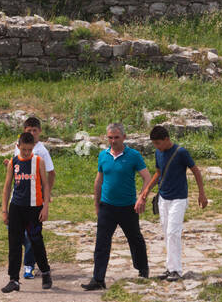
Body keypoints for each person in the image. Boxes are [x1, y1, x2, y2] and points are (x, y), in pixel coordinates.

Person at [82, 122, 152, 291]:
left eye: (116, 137)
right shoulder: (103, 155)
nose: (113, 141)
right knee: (101, 243)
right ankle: (98, 279)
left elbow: (147, 178)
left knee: (135, 239)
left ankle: (143, 269)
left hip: (128, 207)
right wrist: (97, 204)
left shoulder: (133, 155)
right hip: (107, 207)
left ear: (124, 137)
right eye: (110, 138)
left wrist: (141, 198)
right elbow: (99, 181)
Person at [136, 126, 206, 281]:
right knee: (167, 233)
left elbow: (195, 170)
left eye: (158, 143)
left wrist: (202, 193)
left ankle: (176, 270)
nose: (157, 147)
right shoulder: (158, 153)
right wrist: (146, 191)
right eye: (155, 144)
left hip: (179, 198)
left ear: (167, 139)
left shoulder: (181, 152)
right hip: (163, 198)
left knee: (173, 232)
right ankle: (170, 268)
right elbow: (158, 173)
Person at [0, 132, 52, 293]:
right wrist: (4, 210)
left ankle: (45, 272)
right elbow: (7, 186)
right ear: (18, 147)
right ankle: (13, 279)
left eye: (29, 150)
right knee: (14, 244)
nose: (27, 153)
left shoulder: (39, 161)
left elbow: (46, 185)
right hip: (16, 207)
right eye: (24, 150)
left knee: (36, 241)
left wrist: (45, 207)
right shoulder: (13, 162)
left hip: (34, 209)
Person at [10, 116, 55, 281]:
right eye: (29, 130)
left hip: (34, 201)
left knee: (33, 236)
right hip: (18, 199)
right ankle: (14, 277)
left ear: (40, 132)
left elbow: (51, 174)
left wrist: (45, 196)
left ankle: (30, 265)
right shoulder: (19, 146)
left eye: (35, 130)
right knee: (15, 234)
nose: (32, 133)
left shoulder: (41, 152)